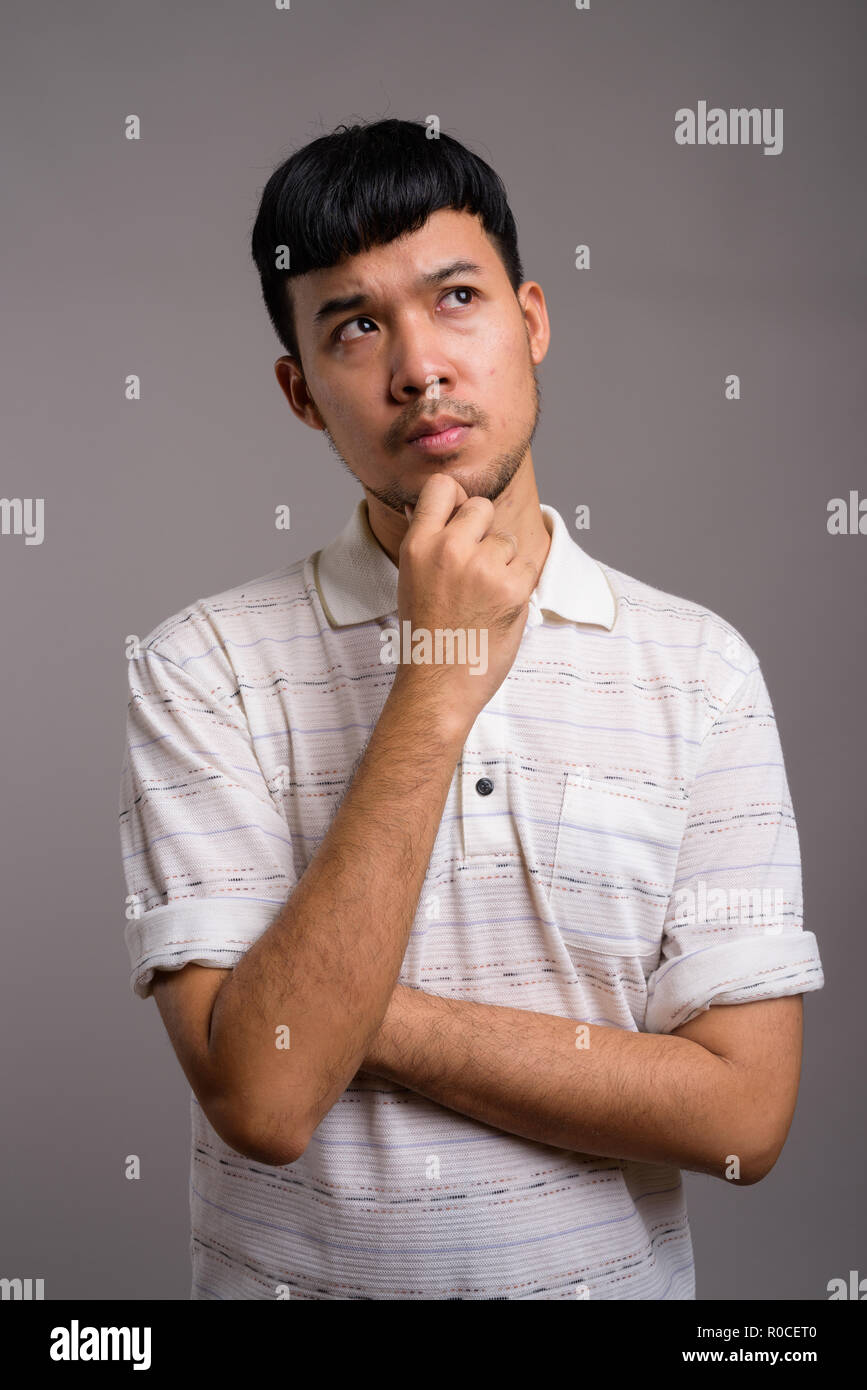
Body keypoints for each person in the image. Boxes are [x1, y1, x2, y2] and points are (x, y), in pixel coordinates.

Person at [118, 118, 823, 1300]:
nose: (419, 365)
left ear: (532, 319)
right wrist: (435, 683)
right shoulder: (202, 667)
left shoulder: (701, 669)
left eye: (455, 297)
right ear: (300, 393)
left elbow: (745, 1117)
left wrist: (344, 1012)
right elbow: (271, 1100)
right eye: (355, 324)